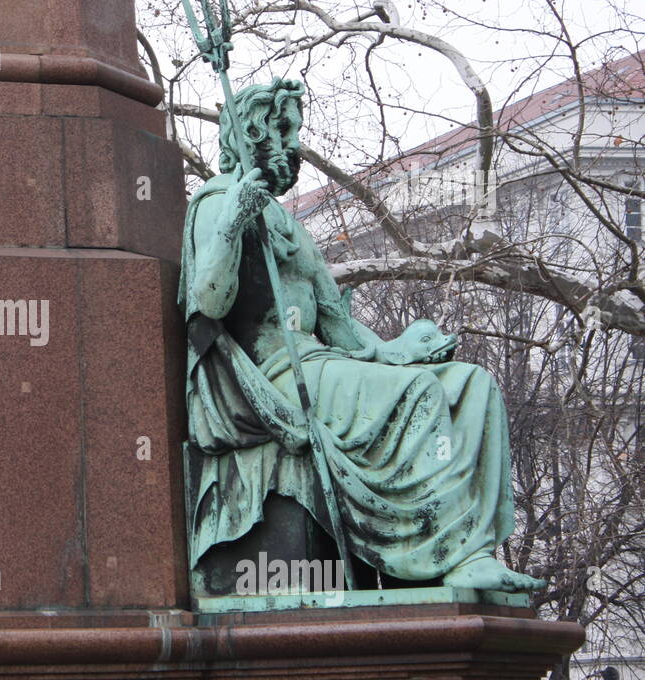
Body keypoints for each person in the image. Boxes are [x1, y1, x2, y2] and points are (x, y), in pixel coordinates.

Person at [182, 77, 545, 592]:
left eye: (295, 133)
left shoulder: (293, 225)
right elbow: (208, 301)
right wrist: (234, 221)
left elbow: (340, 325)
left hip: (328, 362)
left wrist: (399, 349)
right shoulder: (217, 201)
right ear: (250, 134)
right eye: (282, 132)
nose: (292, 146)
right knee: (418, 393)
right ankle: (451, 557)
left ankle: (470, 552)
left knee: (470, 385)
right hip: (277, 377)